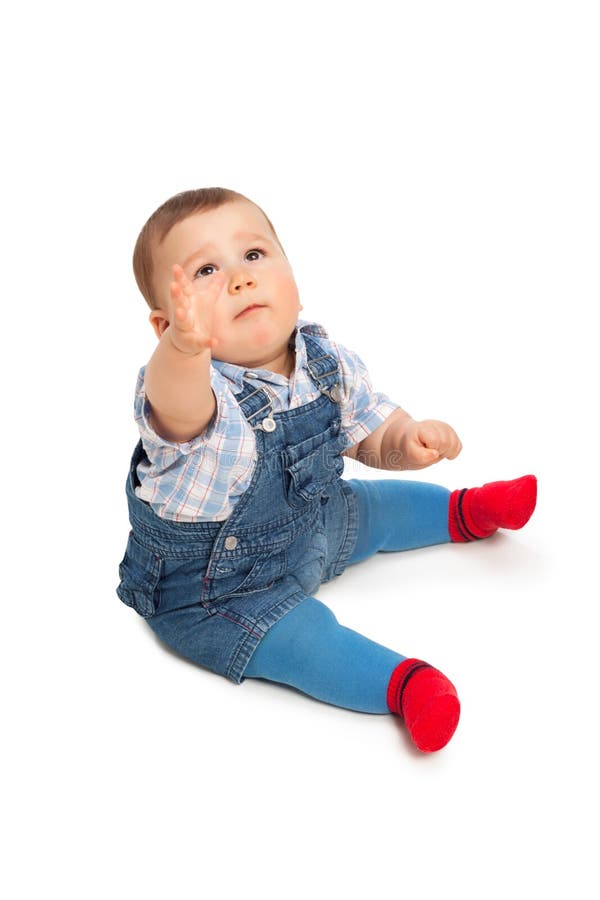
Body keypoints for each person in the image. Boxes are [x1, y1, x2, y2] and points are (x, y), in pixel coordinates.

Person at [117, 187, 537, 753]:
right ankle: (408, 686)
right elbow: (177, 401)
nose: (239, 279)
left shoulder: (323, 358)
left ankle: (470, 510)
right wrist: (183, 351)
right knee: (303, 638)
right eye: (206, 270)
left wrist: (405, 442)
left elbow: (370, 433)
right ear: (164, 324)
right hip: (217, 590)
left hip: (311, 521)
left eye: (255, 256)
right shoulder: (196, 390)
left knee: (376, 507)